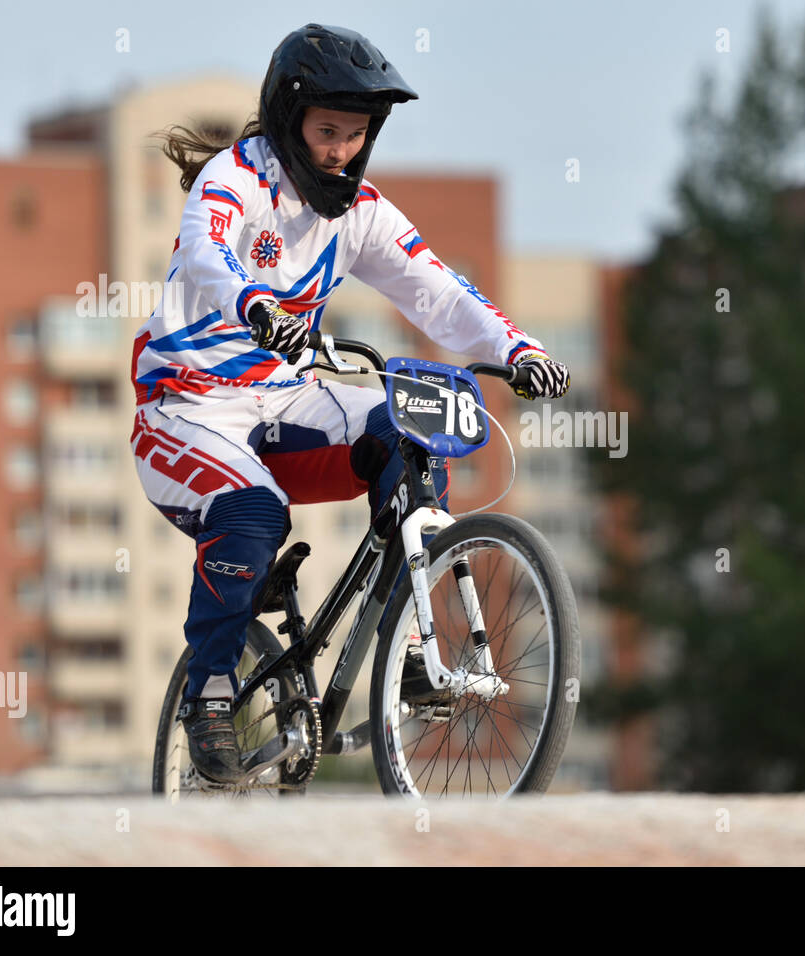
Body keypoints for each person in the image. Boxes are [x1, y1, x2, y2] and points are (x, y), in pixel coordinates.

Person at [130, 23, 570, 784]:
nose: (339, 150)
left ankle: (407, 645)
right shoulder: (233, 179)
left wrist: (517, 350)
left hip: (284, 400)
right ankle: (209, 690)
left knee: (408, 438)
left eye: (354, 135)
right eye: (326, 131)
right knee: (253, 515)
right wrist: (257, 304)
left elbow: (437, 293)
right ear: (288, 116)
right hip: (186, 407)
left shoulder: (360, 211)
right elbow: (207, 254)